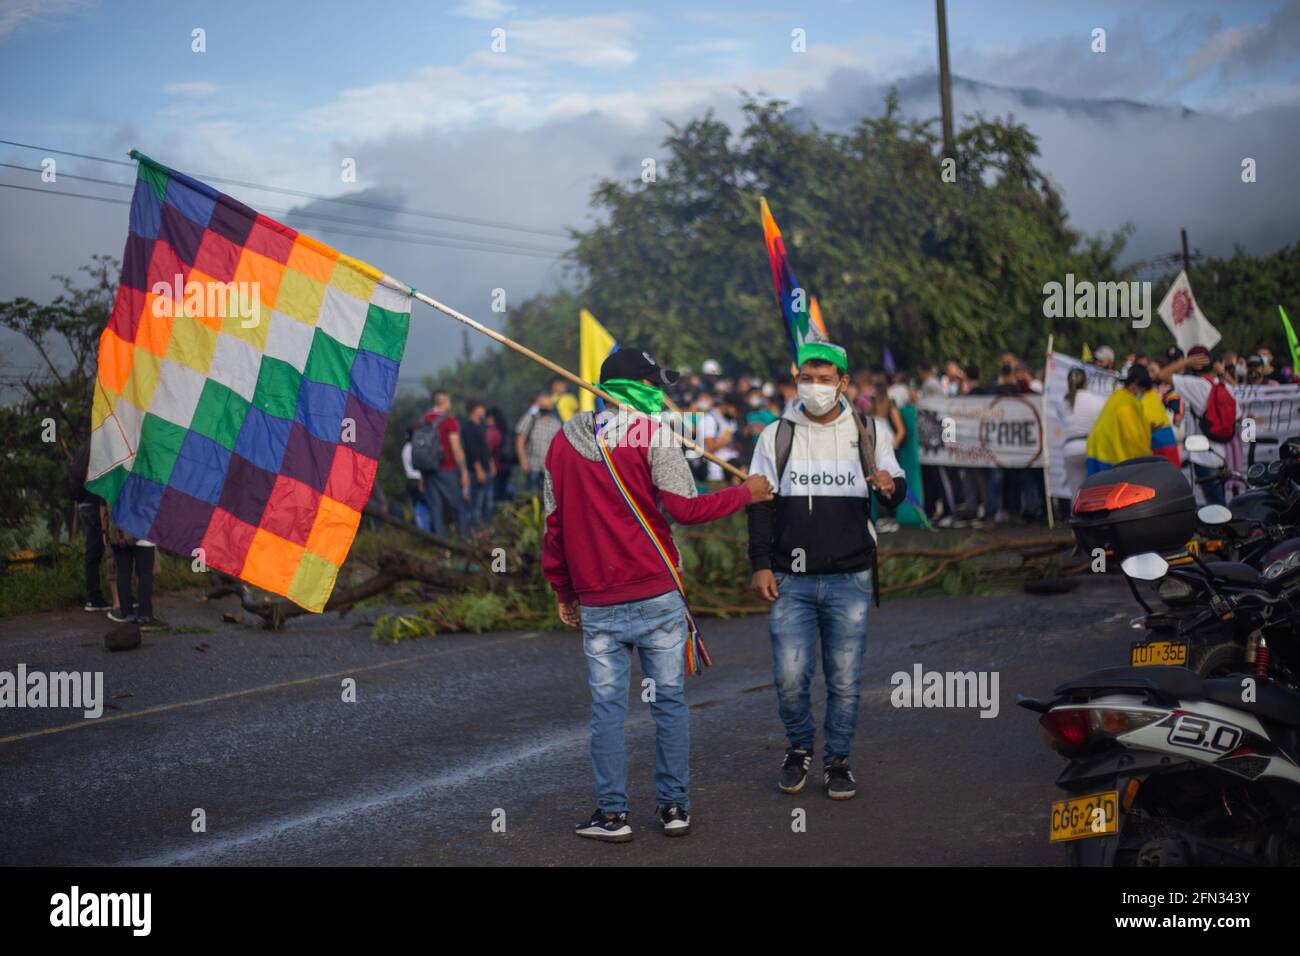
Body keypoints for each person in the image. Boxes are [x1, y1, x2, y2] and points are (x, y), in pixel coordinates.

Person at [543, 346, 774, 842]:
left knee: (607, 710)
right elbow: (686, 511)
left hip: (598, 600)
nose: (660, 393)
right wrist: (745, 493)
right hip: (657, 595)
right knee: (668, 703)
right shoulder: (654, 435)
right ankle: (674, 809)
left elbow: (553, 526)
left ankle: (612, 816)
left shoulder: (561, 442)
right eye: (654, 384)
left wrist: (563, 589)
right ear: (639, 387)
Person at [747, 341, 907, 801]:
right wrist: (760, 565)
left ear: (843, 383)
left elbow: (896, 489)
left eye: (824, 379)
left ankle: (838, 760)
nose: (814, 387)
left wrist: (887, 484)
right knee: (791, 677)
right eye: (807, 378)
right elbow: (759, 505)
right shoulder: (776, 435)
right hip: (790, 581)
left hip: (851, 579)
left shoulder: (870, 432)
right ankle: (799, 748)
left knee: (844, 680)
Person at [1157, 346, 1235, 505]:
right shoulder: (1225, 387)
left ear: (1194, 364)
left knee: (1212, 508)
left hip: (1201, 457)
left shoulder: (1195, 385)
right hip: (1221, 455)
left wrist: (1186, 362)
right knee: (1220, 503)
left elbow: (1161, 375)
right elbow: (1238, 415)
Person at [420, 390, 471, 537]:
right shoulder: (449, 421)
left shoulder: (424, 420)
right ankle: (464, 542)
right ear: (445, 402)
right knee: (458, 505)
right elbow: (456, 448)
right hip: (446, 468)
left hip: (428, 469)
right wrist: (464, 471)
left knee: (436, 508)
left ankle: (441, 545)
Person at [1085, 364, 1153, 474]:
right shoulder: (1127, 403)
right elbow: (1132, 437)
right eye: (1141, 390)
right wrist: (1147, 457)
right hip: (1110, 458)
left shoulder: (1116, 397)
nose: (1140, 395)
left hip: (1096, 453)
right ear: (1134, 384)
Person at [104, 506, 164, 630]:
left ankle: (127, 615)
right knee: (145, 573)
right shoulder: (148, 485)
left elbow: (104, 504)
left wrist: (104, 531)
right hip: (142, 529)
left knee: (123, 572)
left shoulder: (113, 485)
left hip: (118, 530)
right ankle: (145, 616)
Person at [68, 440, 111, 612]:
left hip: (84, 505)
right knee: (110, 550)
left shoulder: (84, 448)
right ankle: (97, 597)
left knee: (92, 552)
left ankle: (95, 596)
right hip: (97, 505)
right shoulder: (101, 448)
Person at [1056, 366, 1104, 500]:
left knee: (1077, 495)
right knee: (1095, 492)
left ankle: (1077, 518)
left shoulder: (1062, 403)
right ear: (1086, 382)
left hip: (1071, 450)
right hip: (1092, 449)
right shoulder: (1097, 400)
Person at [516, 391, 563, 496]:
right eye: (543, 405)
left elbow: (560, 446)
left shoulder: (556, 423)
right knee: (532, 497)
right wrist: (523, 461)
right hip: (532, 465)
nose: (545, 408)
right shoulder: (530, 418)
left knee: (548, 498)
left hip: (549, 468)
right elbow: (520, 441)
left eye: (548, 406)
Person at [460, 400, 495, 526]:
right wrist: (478, 469)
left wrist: (491, 463)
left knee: (488, 503)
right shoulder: (468, 427)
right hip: (476, 471)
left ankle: (486, 528)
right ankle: (476, 530)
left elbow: (485, 448)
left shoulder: (481, 426)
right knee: (477, 504)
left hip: (486, 469)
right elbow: (472, 451)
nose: (483, 411)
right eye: (481, 408)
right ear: (474, 409)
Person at [400, 427, 431, 531]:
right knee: (423, 508)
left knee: (416, 508)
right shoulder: (414, 448)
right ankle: (425, 532)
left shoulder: (405, 448)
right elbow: (419, 466)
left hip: (410, 481)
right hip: (418, 481)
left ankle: (420, 531)